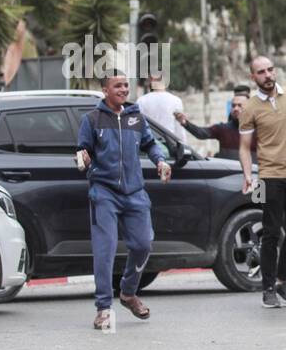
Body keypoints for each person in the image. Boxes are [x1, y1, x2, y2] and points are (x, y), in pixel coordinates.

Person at [76, 72, 172, 330]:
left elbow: (151, 144)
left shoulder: (136, 118)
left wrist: (161, 161)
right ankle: (103, 308)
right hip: (104, 193)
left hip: (135, 193)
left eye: (126, 85)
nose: (124, 90)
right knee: (104, 251)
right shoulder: (91, 119)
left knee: (143, 244)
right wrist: (82, 159)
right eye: (117, 86)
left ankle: (128, 293)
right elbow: (81, 150)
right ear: (105, 90)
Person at [239, 56, 286, 309]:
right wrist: (248, 175)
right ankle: (268, 287)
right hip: (268, 177)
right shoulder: (249, 108)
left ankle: (283, 279)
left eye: (270, 70)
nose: (267, 75)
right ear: (253, 77)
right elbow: (245, 147)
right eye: (261, 72)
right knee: (270, 233)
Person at [175, 87, 251, 162]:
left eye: (240, 105)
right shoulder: (223, 129)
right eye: (233, 106)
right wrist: (185, 123)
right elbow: (201, 133)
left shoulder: (259, 130)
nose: (236, 109)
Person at [136, 72, 185, 139]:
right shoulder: (176, 100)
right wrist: (184, 147)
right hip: (170, 143)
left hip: (149, 143)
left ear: (151, 80)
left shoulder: (141, 101)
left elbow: (138, 127)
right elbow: (179, 130)